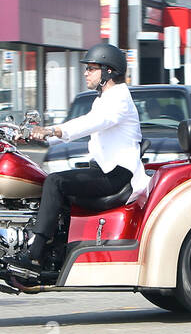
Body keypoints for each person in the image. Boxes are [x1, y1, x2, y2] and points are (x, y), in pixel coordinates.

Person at [11, 43, 146, 272]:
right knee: (50, 183)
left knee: (55, 182)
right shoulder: (103, 99)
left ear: (108, 71)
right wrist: (37, 138)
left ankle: (34, 253)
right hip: (103, 171)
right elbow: (82, 128)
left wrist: (52, 130)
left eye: (91, 68)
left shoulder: (119, 99)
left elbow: (90, 123)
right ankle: (55, 254)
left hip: (117, 176)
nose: (86, 73)